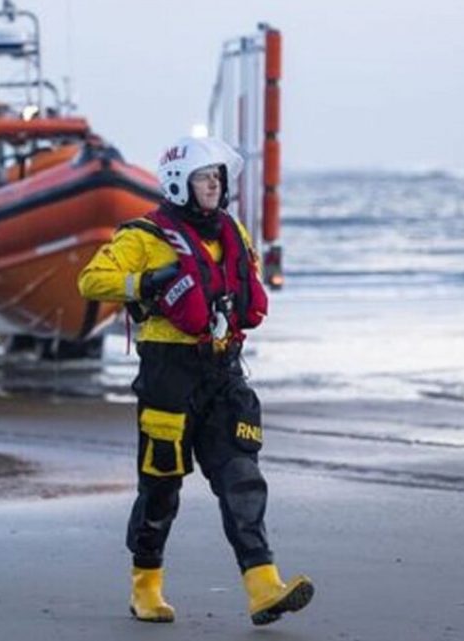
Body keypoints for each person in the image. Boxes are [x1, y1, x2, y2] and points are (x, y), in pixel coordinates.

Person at [77, 136, 314, 626]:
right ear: (180, 182)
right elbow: (90, 281)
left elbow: (246, 290)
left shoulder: (233, 232)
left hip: (223, 372)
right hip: (169, 375)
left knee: (242, 479)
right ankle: (146, 587)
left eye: (219, 178)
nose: (215, 186)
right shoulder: (142, 236)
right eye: (206, 177)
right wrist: (143, 284)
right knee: (161, 488)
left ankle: (263, 586)